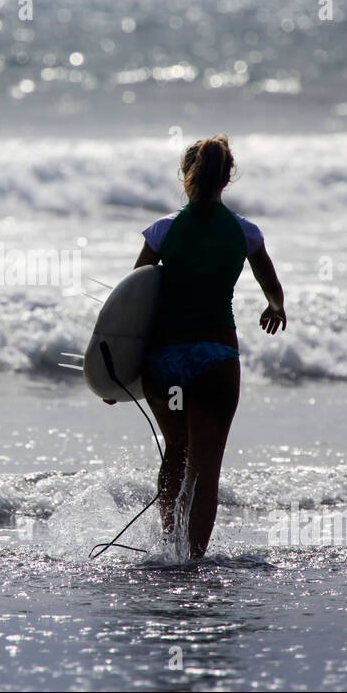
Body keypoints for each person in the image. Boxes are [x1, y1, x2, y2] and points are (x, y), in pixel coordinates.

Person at [130, 134, 285, 558]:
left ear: (187, 175)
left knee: (177, 450)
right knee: (206, 467)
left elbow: (131, 301)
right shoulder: (245, 233)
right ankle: (192, 561)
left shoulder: (163, 231)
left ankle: (169, 547)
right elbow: (272, 287)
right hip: (215, 359)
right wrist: (275, 307)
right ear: (227, 178)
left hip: (166, 363)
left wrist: (115, 371)